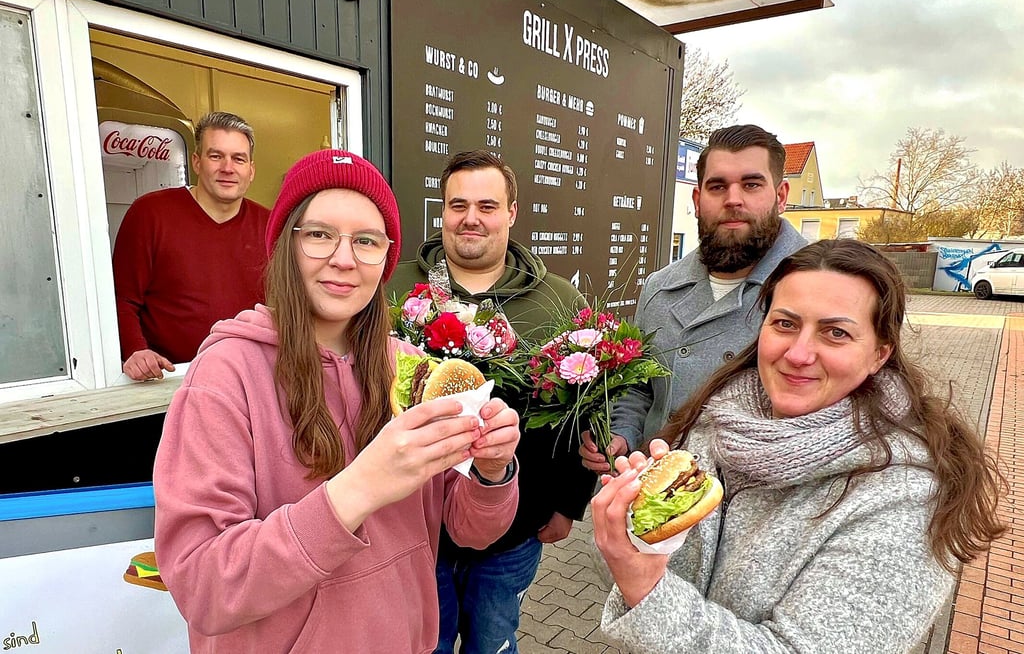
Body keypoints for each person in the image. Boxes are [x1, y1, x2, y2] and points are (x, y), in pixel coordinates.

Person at [153, 149, 521, 653]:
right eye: (320, 234)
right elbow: (204, 586)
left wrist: (492, 471)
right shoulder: (224, 376)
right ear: (287, 244)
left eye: (366, 241)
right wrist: (361, 487)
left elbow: (467, 530)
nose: (344, 259)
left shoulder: (409, 368)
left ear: (386, 257)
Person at [590, 239, 1006, 654]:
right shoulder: (717, 420)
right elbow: (624, 580)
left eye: (836, 333)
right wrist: (629, 535)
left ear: (880, 353)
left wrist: (644, 586)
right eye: (785, 324)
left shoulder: (904, 497)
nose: (799, 353)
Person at [388, 150, 596, 654]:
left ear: (512, 212)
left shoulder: (558, 300)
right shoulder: (396, 287)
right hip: (413, 526)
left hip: (515, 528)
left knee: (493, 643)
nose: (471, 218)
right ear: (441, 211)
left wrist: (569, 503)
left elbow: (583, 409)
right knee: (421, 645)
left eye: (487, 205)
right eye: (457, 205)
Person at [580, 124, 807, 473]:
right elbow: (639, 387)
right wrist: (621, 434)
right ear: (698, 200)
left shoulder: (818, 290)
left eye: (751, 184)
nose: (733, 199)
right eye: (718, 186)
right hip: (652, 493)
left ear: (780, 195)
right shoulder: (660, 288)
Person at [112, 111, 270, 381]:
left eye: (239, 158)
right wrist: (136, 350)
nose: (228, 168)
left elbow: (286, 306)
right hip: (168, 383)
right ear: (197, 162)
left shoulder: (270, 225)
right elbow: (122, 299)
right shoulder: (150, 213)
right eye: (216, 156)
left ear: (251, 170)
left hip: (248, 381)